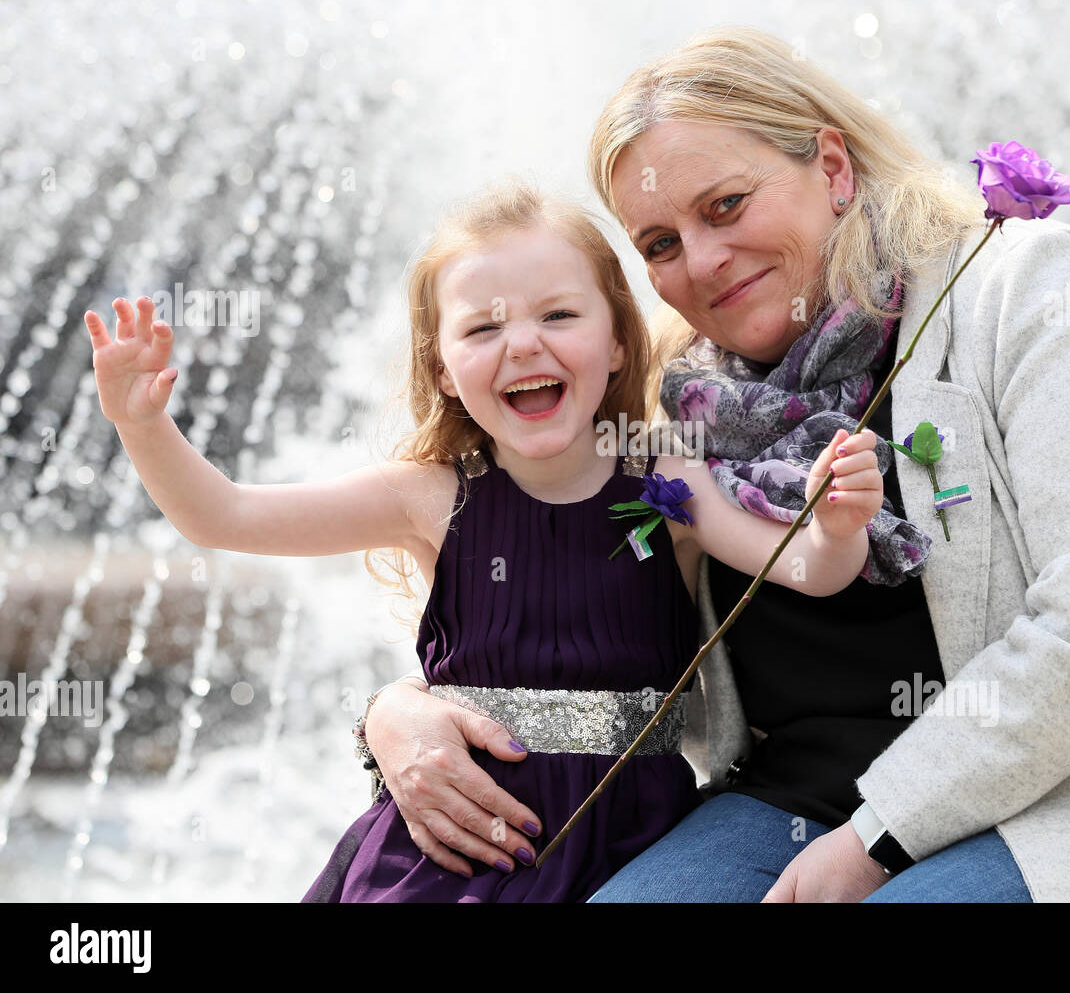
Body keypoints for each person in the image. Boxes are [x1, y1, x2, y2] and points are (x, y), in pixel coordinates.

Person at [362, 28, 1070, 902]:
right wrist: (397, 714)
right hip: (787, 804)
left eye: (725, 205)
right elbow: (563, 632)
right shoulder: (678, 411)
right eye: (660, 243)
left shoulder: (1033, 293)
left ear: (836, 167)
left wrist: (877, 837)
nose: (704, 259)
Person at [81, 178, 886, 902]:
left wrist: (839, 524)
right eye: (482, 328)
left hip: (629, 845)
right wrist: (143, 424)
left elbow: (809, 570)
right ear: (441, 367)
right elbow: (223, 516)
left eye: (559, 314)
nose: (523, 343)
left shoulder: (663, 476)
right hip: (452, 854)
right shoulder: (429, 494)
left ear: (615, 342)